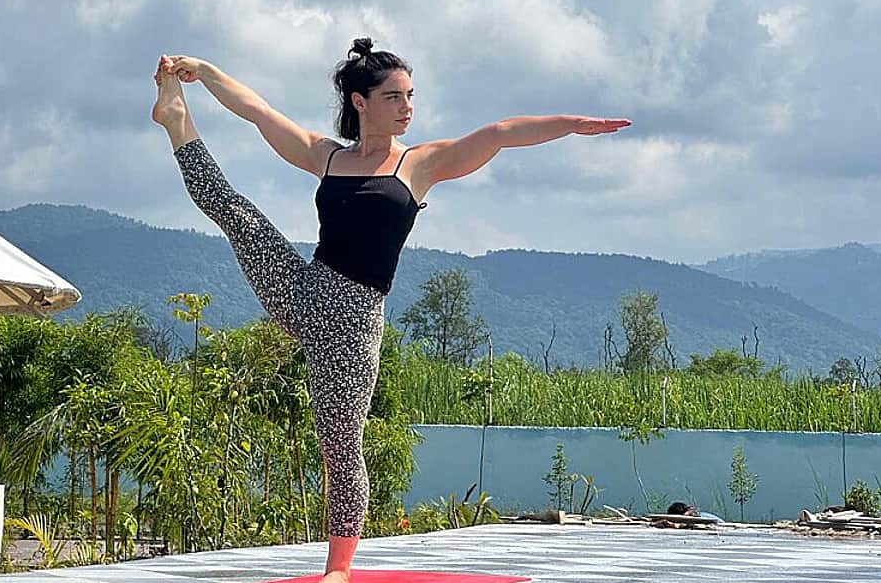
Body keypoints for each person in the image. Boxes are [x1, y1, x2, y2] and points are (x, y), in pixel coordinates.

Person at [150, 38, 630, 582]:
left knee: (340, 440)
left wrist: (570, 123)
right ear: (360, 102)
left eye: (410, 96)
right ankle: (174, 117)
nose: (407, 108)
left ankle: (340, 566)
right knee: (234, 211)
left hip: (355, 320)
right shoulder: (327, 155)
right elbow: (259, 112)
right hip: (305, 290)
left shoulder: (418, 164)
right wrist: (207, 71)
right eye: (394, 97)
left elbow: (497, 134)